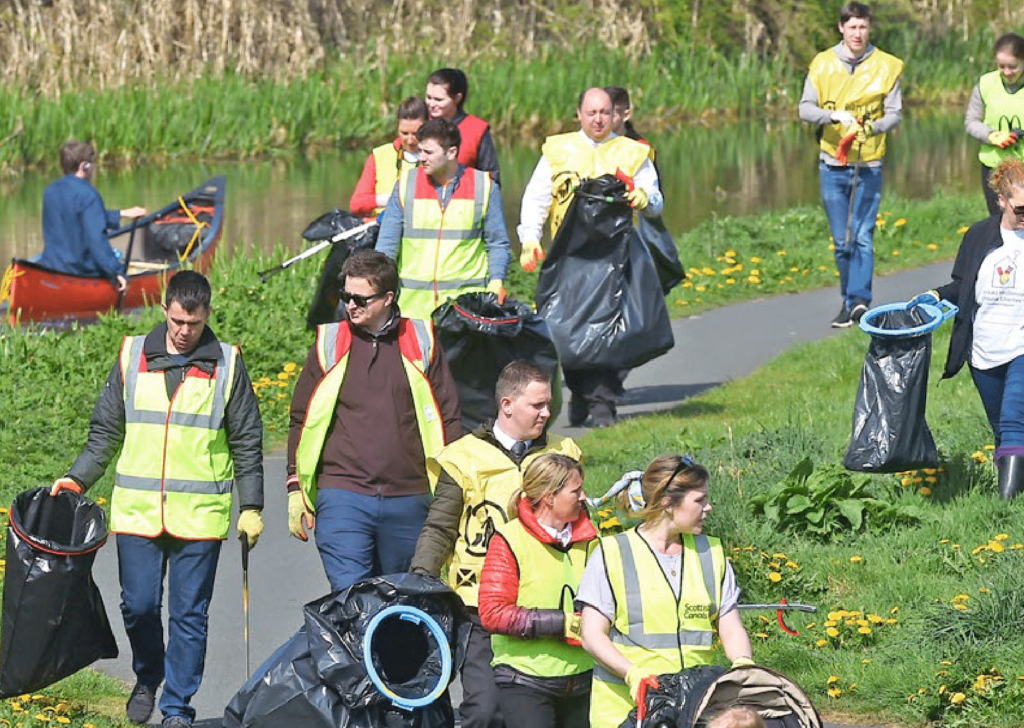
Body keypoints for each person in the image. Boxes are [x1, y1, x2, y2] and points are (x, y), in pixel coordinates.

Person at [50, 271, 264, 728]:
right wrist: (77, 479)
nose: (186, 331)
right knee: (139, 605)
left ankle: (177, 708)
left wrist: (252, 506)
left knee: (190, 615)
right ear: (164, 309)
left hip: (199, 519)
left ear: (207, 315)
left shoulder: (227, 365)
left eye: (195, 322)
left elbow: (247, 440)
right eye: (179, 320)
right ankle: (148, 677)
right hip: (138, 513)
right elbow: (105, 430)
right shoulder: (132, 357)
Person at [410, 360, 582, 728]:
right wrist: (421, 580)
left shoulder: (562, 452)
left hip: (548, 603)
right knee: (486, 712)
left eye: (548, 404)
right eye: (537, 405)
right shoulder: (464, 457)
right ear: (507, 405)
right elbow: (440, 527)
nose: (547, 413)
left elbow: (582, 523)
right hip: (480, 610)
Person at [287, 250, 462, 592]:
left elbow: (449, 418)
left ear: (388, 298)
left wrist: (453, 492)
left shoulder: (422, 341)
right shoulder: (330, 343)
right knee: (352, 600)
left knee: (401, 603)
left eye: (360, 299)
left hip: (410, 497)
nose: (350, 306)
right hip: (343, 496)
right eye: (346, 297)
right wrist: (295, 486)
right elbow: (300, 418)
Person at [517, 87, 663, 427]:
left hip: (616, 256)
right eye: (591, 112)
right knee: (569, 331)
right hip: (570, 254)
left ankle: (603, 404)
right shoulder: (557, 149)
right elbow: (536, 197)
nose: (598, 119)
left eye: (604, 112)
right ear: (579, 114)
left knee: (611, 331)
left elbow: (656, 200)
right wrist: (529, 238)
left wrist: (645, 198)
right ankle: (582, 393)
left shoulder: (632, 152)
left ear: (615, 115)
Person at [577, 455, 754, 728]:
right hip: (627, 711)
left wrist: (743, 663)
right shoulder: (612, 554)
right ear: (668, 503)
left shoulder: (712, 553)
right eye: (700, 500)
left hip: (692, 710)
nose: (709, 507)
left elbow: (730, 627)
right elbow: (591, 635)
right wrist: (631, 673)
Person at [914, 158, 1024, 499]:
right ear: (1002, 201)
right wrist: (933, 295)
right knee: (1004, 431)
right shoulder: (979, 236)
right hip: (984, 349)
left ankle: (1003, 509)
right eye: (1021, 208)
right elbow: (962, 287)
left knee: (1013, 420)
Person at [798, 2, 903, 329]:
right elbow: (805, 108)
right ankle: (848, 301)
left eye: (863, 27)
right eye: (852, 27)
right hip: (832, 162)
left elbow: (894, 113)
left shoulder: (888, 66)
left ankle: (859, 301)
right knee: (841, 239)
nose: (858, 33)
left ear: (869, 28)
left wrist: (870, 127)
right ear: (841, 28)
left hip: (869, 161)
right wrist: (834, 116)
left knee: (861, 236)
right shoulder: (822, 63)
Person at [478, 453, 597, 728]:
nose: (584, 497)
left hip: (585, 677)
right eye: (576, 490)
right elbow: (493, 613)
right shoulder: (509, 540)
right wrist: (563, 623)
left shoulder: (593, 540)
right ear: (549, 497)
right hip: (525, 680)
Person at [375, 117, 511, 320]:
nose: (422, 157)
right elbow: (387, 245)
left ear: (451, 153)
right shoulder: (405, 184)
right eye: (420, 151)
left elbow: (497, 243)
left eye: (428, 152)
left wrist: (496, 281)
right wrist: (379, 290)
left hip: (466, 311)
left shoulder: (484, 186)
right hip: (412, 309)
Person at [37, 140, 147, 291]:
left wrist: (122, 214)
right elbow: (97, 242)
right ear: (85, 166)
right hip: (79, 270)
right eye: (92, 164)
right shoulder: (89, 195)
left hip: (52, 265)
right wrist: (116, 271)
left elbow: (75, 217)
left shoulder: (50, 191)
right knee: (115, 258)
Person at [964, 33, 1024, 217]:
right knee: (999, 220)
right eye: (1001, 66)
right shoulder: (985, 84)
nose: (1006, 72)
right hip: (994, 168)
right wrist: (991, 135)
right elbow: (971, 121)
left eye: (1013, 67)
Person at [349, 96, 428, 218]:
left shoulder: (437, 156)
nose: (410, 140)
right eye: (404, 133)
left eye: (416, 134)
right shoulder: (380, 155)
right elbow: (357, 204)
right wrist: (386, 200)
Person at [425, 67, 501, 184]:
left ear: (457, 98)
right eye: (428, 97)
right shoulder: (421, 123)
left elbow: (491, 177)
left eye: (438, 100)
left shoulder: (477, 129)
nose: (431, 104)